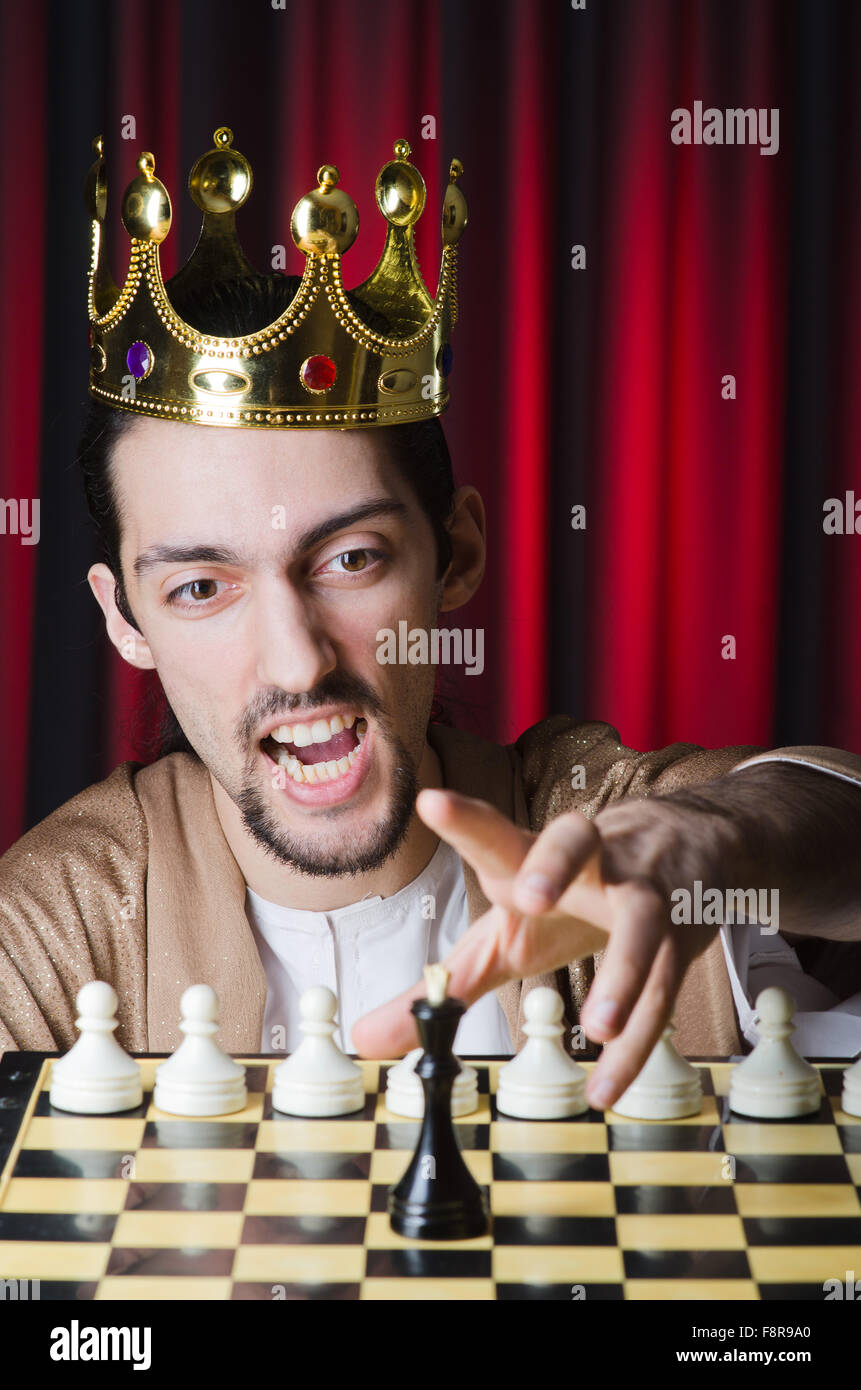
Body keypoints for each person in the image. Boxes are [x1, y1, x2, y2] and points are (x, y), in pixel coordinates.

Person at [2, 131, 861, 1113]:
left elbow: (836, 830)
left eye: (349, 559)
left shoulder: (599, 826)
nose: (297, 658)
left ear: (457, 553)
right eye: (202, 585)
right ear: (124, 620)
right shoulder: (47, 928)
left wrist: (714, 841)